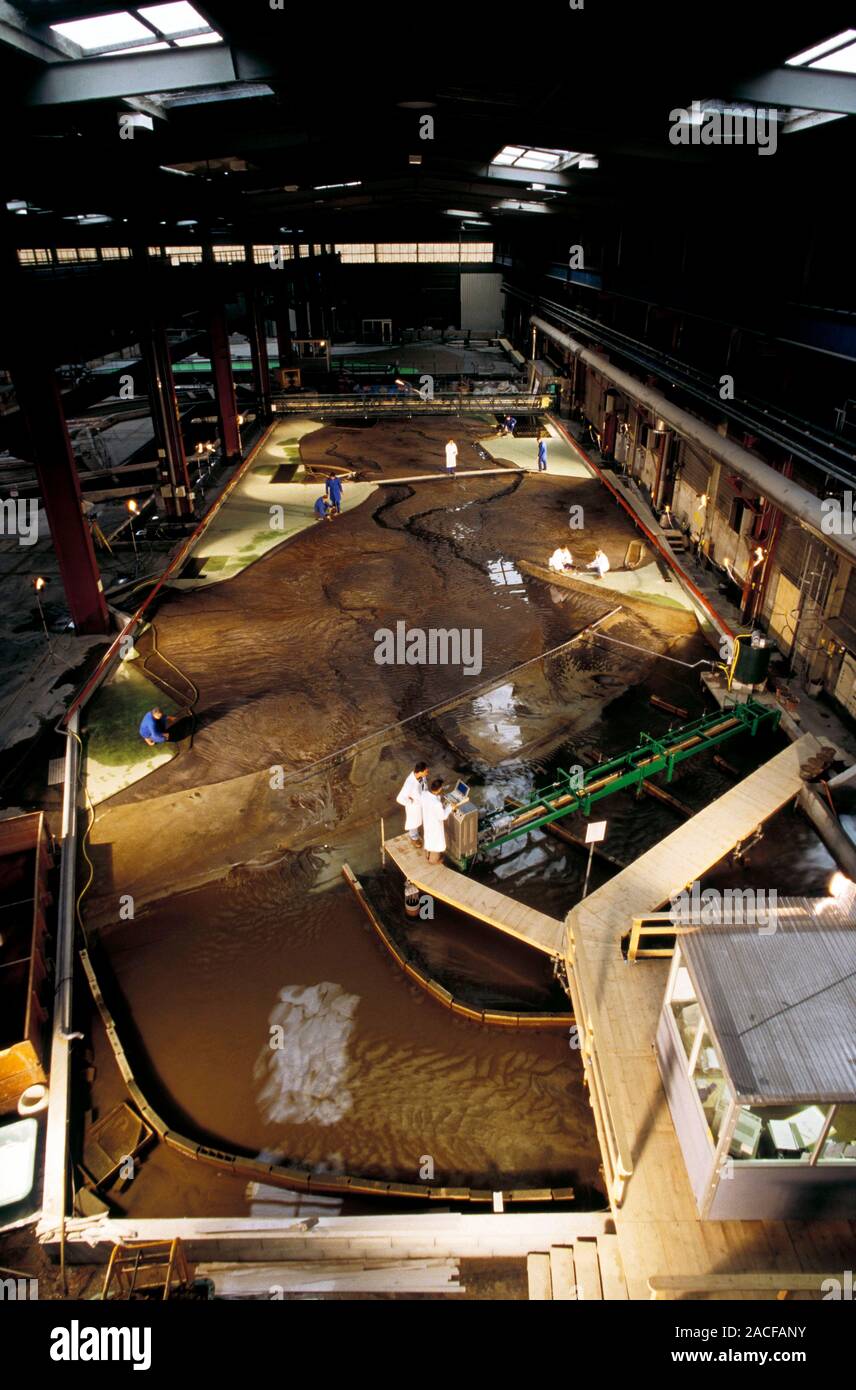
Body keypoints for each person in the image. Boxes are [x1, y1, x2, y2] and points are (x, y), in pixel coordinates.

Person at [396, 761, 429, 844]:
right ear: (420, 772)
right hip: (414, 807)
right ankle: (414, 838)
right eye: (426, 770)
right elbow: (399, 799)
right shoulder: (409, 783)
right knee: (414, 822)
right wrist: (411, 801)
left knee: (424, 818)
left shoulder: (422, 777)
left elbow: (424, 787)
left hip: (423, 801)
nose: (427, 771)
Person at [421, 777, 452, 864]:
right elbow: (443, 816)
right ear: (439, 789)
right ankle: (433, 860)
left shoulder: (424, 794)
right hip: (434, 825)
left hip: (428, 822)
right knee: (435, 843)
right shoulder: (437, 804)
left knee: (429, 840)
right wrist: (450, 807)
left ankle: (428, 855)